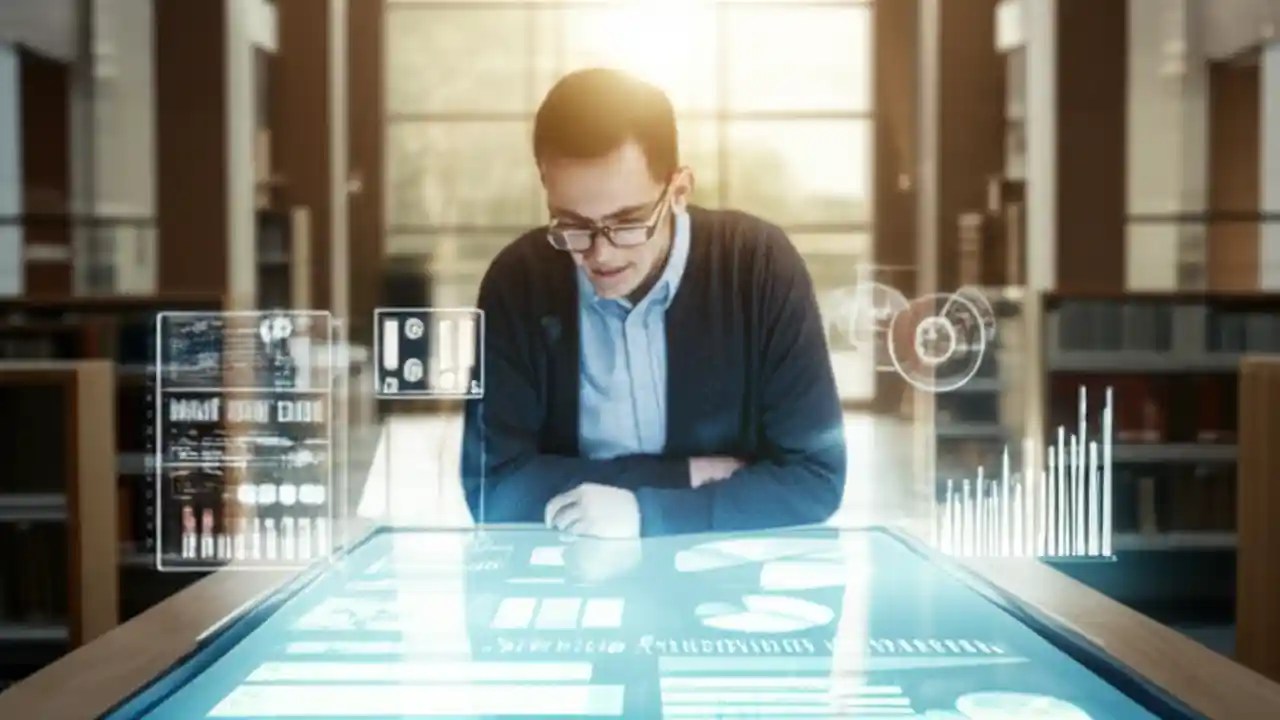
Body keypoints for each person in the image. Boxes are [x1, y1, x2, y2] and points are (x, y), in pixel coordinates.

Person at [461, 68, 845, 538]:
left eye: (627, 223)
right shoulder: (518, 281)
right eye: (572, 224)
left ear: (678, 191)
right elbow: (492, 487)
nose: (601, 254)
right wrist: (686, 478)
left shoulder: (759, 266)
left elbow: (816, 479)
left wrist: (648, 514)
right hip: (572, 566)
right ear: (546, 185)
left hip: (725, 578)